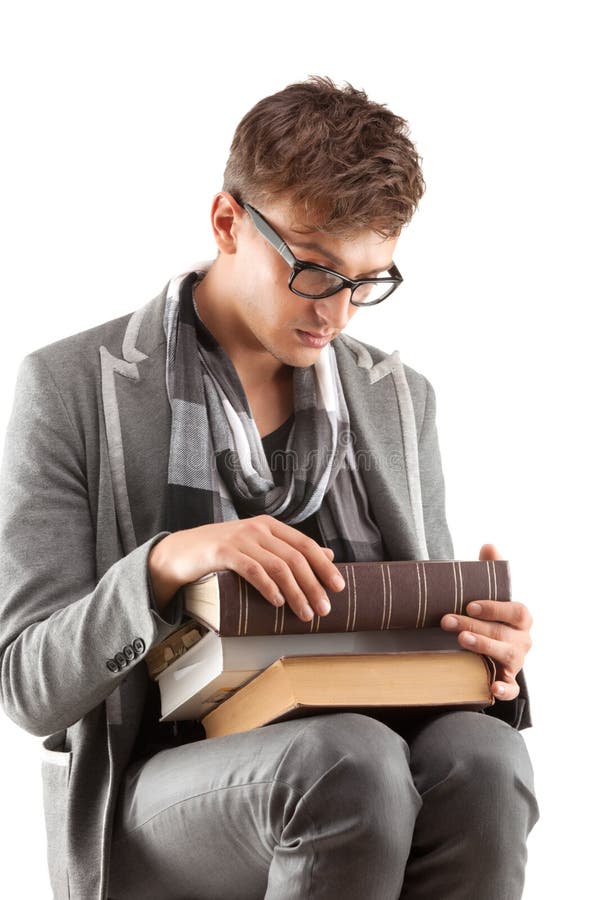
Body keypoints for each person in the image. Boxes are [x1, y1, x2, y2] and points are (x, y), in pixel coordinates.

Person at [0, 76, 538, 900]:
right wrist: (166, 561)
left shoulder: (399, 398)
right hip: (163, 788)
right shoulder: (74, 387)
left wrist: (486, 656)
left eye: (369, 280)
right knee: (345, 760)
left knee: (487, 759)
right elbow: (29, 687)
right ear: (227, 223)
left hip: (374, 755)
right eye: (317, 272)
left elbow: (413, 639)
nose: (340, 315)